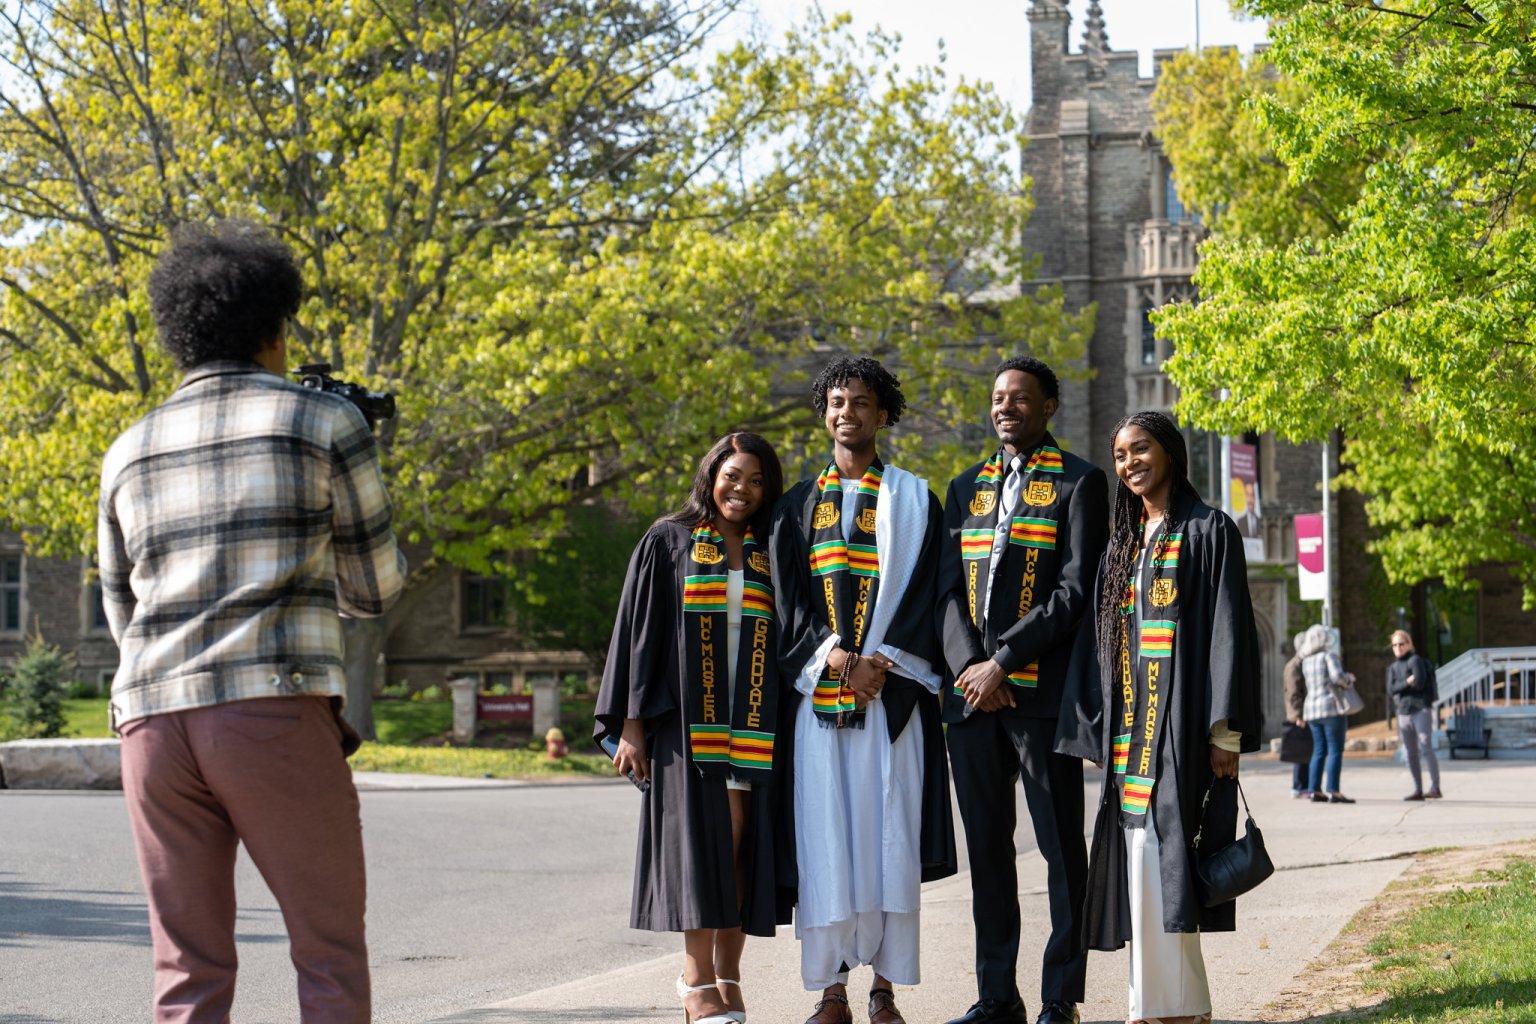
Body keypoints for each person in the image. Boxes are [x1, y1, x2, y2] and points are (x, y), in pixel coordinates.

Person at [98, 221, 407, 1023]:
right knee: (327, 951)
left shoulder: (126, 450)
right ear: (274, 331)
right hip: (270, 707)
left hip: (153, 722)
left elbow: (118, 603)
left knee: (186, 966)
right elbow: (374, 589)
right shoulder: (323, 423)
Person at [770, 355, 956, 1024]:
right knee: (827, 837)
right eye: (836, 402)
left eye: (860, 403)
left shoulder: (913, 498)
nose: (846, 412)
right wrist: (841, 659)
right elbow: (788, 605)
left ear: (884, 414)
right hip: (820, 704)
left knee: (887, 838)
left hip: (893, 700)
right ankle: (831, 988)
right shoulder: (796, 506)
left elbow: (934, 592)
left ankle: (884, 986)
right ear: (826, 413)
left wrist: (885, 661)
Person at [1059, 410, 1261, 1024]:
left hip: (1181, 724)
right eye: (1120, 455)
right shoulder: (1122, 547)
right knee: (1140, 858)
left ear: (1169, 451)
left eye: (1140, 449)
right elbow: (1100, 644)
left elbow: (1230, 630)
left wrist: (1224, 732)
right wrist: (1095, 723)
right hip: (1130, 731)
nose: (1129, 463)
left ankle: (1173, 1006)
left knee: (1173, 861)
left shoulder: (1208, 530)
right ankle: (1160, 1003)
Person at [937, 357, 1107, 1024]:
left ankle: (1059, 998)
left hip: (1040, 699)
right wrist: (971, 669)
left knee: (1063, 850)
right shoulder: (964, 488)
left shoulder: (1080, 482)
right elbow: (946, 591)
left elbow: (1073, 593)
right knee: (988, 852)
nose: (1006, 406)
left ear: (1048, 408)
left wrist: (1002, 662)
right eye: (999, 397)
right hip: (974, 702)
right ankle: (997, 996)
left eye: (1021, 397)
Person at [596, 432, 788, 1024]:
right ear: (711, 475)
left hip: (755, 718)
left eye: (756, 481)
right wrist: (632, 726)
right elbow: (640, 633)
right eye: (733, 476)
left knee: (744, 848)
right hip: (687, 723)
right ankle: (694, 978)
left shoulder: (770, 546)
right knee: (708, 843)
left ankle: (729, 978)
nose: (743, 490)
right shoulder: (669, 540)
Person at [1299, 623, 1356, 804]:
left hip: (1312, 710)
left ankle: (1314, 790)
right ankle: (1333, 790)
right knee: (1335, 749)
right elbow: (1337, 678)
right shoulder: (1328, 656)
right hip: (1330, 707)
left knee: (1318, 750)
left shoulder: (1306, 661)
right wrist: (1349, 679)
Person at [1387, 630, 1442, 800]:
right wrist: (1407, 682)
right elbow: (1391, 690)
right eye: (1395, 645)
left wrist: (1403, 685)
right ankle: (1418, 789)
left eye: (1401, 643)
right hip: (1403, 712)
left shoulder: (1415, 660)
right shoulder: (1393, 667)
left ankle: (1435, 787)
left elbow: (1418, 683)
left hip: (1420, 709)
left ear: (1408, 644)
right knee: (1410, 752)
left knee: (1425, 745)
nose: (1398, 647)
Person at [1282, 633, 1309, 798]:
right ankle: (1298, 786)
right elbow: (1293, 693)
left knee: (1305, 750)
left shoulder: (1300, 664)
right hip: (1297, 716)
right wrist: (1298, 715)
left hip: (1300, 714)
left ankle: (1303, 785)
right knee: (1300, 752)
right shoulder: (1294, 666)